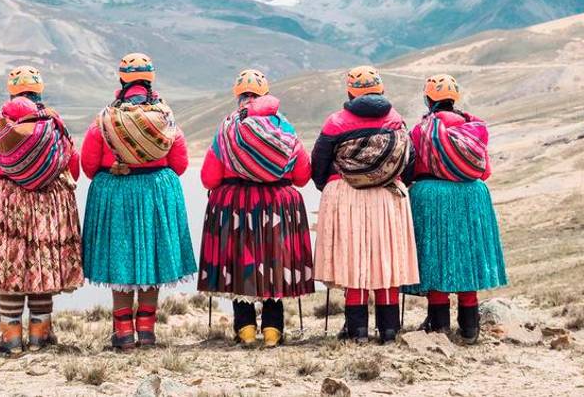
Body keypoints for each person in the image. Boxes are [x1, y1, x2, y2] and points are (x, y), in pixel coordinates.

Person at [81, 53, 197, 350]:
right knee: (153, 260)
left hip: (116, 193)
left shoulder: (105, 119)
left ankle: (123, 333)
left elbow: (89, 165)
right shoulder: (166, 119)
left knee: (121, 263)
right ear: (150, 80)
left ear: (122, 80)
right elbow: (180, 163)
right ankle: (146, 331)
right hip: (156, 192)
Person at [0, 65, 84, 355]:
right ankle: (40, 337)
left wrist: (0, 191)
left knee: (10, 270)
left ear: (10, 93)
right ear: (39, 92)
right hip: (47, 204)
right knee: (40, 269)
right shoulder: (55, 126)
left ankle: (10, 340)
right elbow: (74, 167)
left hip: (4, 204)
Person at [197, 70, 314, 348]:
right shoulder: (285, 128)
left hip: (237, 205)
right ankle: (273, 331)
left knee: (241, 265)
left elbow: (209, 178)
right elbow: (301, 176)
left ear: (239, 96)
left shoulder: (227, 128)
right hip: (277, 204)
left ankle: (246, 329)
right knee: (275, 265)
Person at [311, 66, 420, 344]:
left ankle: (356, 331)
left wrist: (332, 185)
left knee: (353, 261)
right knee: (387, 262)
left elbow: (319, 166)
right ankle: (389, 331)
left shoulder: (336, 122)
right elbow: (409, 163)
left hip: (346, 195)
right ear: (380, 89)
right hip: (386, 197)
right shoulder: (397, 121)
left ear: (350, 92)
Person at [402, 74, 507, 344]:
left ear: (428, 100)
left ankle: (438, 326)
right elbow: (485, 171)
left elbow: (410, 168)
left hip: (431, 195)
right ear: (455, 99)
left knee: (435, 257)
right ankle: (470, 328)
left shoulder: (420, 131)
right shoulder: (474, 129)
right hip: (471, 195)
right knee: (467, 256)